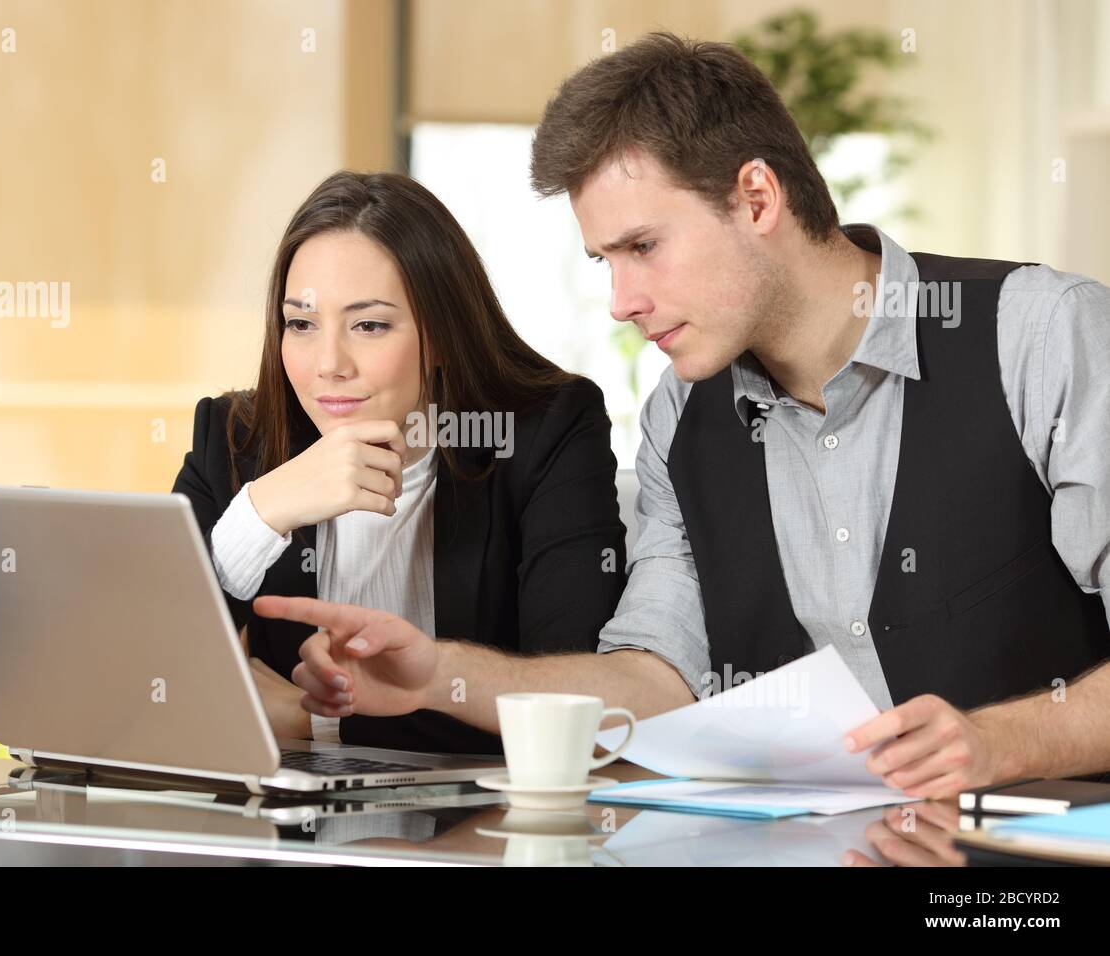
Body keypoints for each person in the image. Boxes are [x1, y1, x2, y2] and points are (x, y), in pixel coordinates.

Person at [257, 33, 1110, 798]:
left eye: (643, 247)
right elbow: (655, 684)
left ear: (757, 198)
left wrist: (1000, 742)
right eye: (604, 260)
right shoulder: (680, 416)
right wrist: (436, 672)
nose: (622, 301)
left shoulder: (1040, 336)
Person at [171, 170, 627, 754]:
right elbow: (148, 679)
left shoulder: (546, 433)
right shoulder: (233, 439)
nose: (329, 364)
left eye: (369, 325)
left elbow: (571, 712)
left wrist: (312, 720)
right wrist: (262, 513)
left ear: (438, 333)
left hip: (481, 830)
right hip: (286, 835)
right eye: (302, 324)